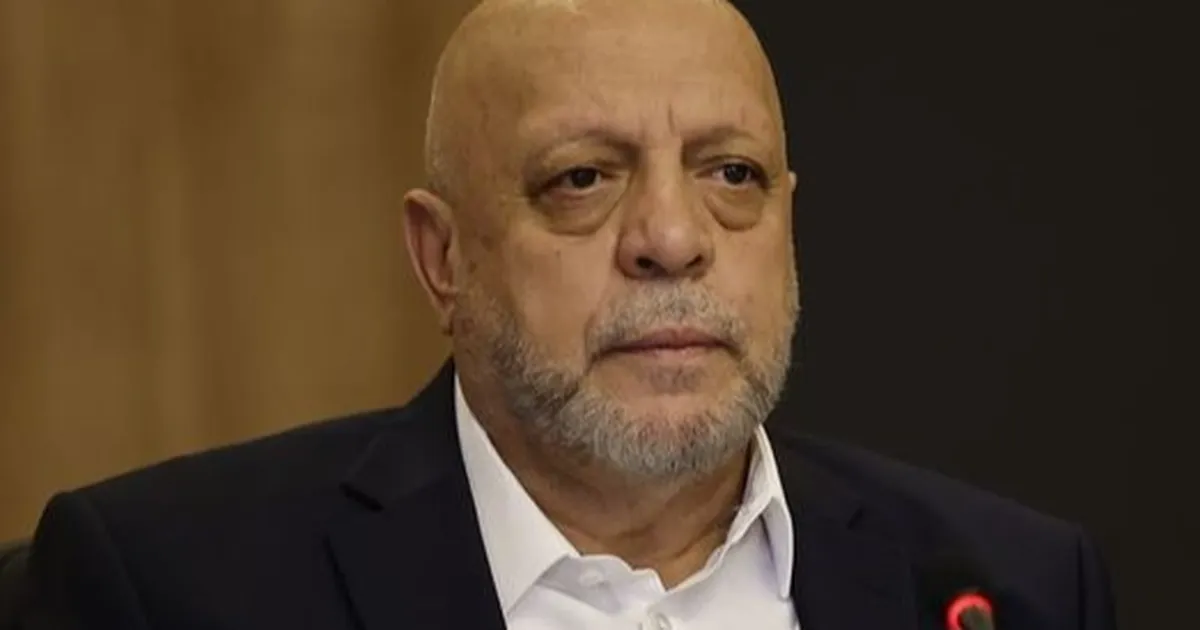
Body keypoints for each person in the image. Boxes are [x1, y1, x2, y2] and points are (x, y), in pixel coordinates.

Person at [22, 0, 1116, 628]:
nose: (672, 238)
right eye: (582, 179)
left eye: (731, 174)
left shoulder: (1011, 592)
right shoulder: (163, 591)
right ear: (443, 258)